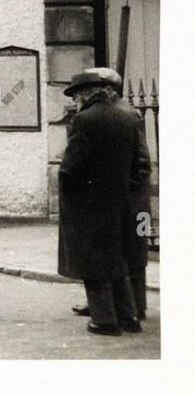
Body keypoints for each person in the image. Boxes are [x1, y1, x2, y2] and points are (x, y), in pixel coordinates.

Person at [58, 68, 145, 336]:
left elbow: (70, 168)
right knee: (117, 260)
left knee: (93, 264)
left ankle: (104, 321)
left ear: (84, 95)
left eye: (75, 96)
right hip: (120, 203)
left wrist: (68, 190)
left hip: (89, 205)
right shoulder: (127, 118)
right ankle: (129, 318)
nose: (74, 101)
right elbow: (136, 166)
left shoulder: (84, 121)